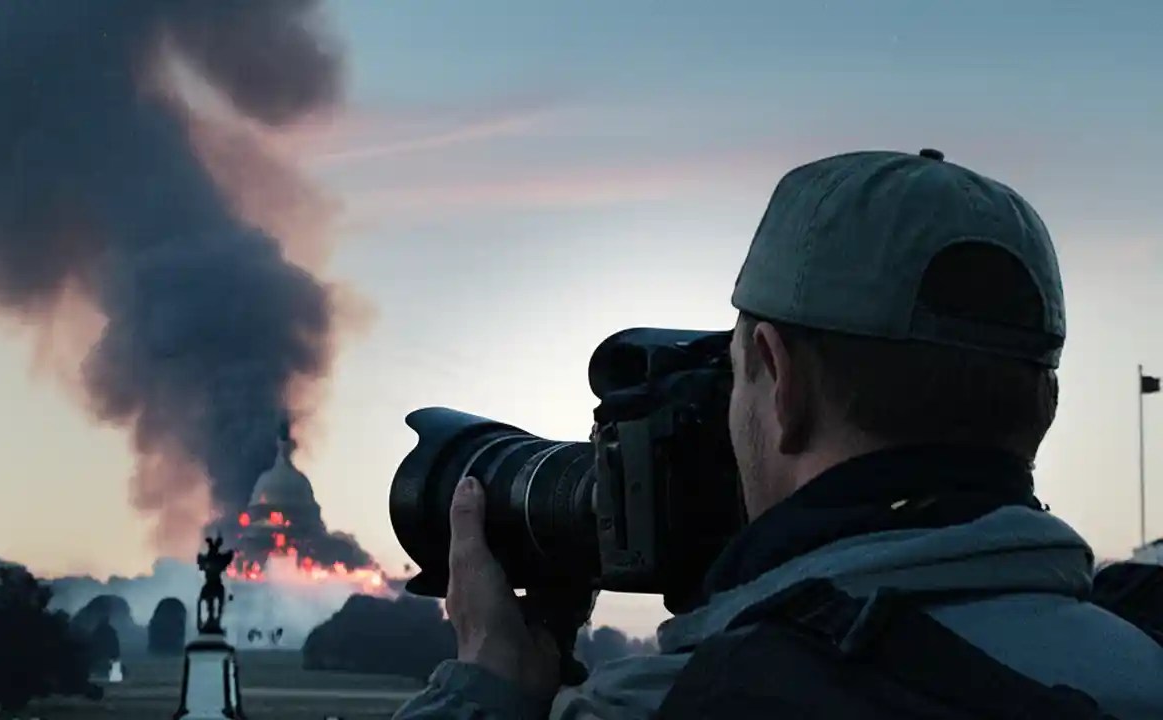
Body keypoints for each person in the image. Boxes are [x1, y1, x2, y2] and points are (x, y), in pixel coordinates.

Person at [393, 149, 1163, 719]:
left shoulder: (700, 700)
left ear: (778, 379)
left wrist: (487, 685)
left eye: (735, 377)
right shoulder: (1139, 658)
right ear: (1046, 406)